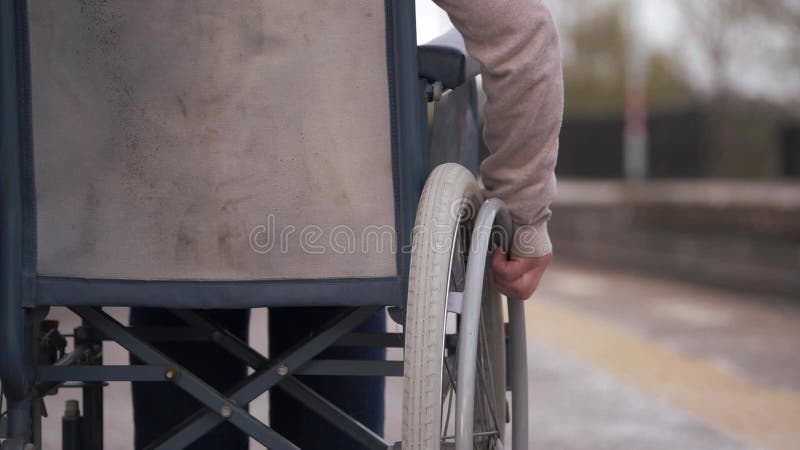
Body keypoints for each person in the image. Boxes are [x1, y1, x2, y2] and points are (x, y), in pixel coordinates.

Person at [131, 0, 562, 448]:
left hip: (155, 229)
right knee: (343, 262)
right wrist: (523, 216)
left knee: (162, 272)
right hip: (338, 229)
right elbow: (523, 34)